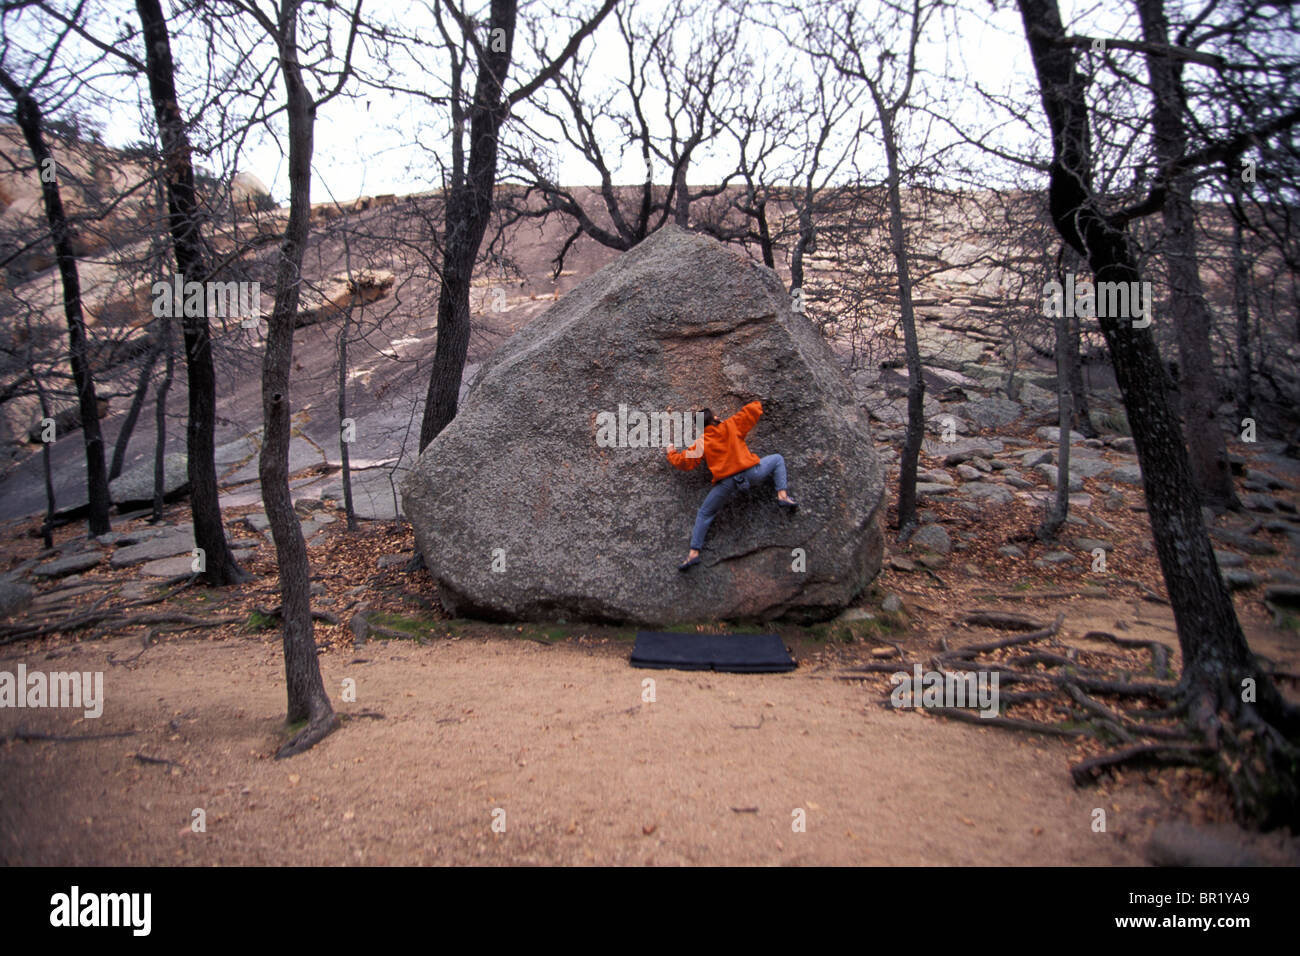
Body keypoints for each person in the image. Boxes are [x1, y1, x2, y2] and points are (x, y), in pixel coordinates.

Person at [665, 400, 797, 571]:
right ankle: (782, 495)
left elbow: (684, 462)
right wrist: (758, 402)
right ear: (715, 418)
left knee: (705, 513)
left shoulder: (702, 442)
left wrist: (671, 453)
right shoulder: (730, 425)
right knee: (777, 459)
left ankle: (693, 553)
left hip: (727, 484)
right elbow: (752, 411)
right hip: (752, 473)